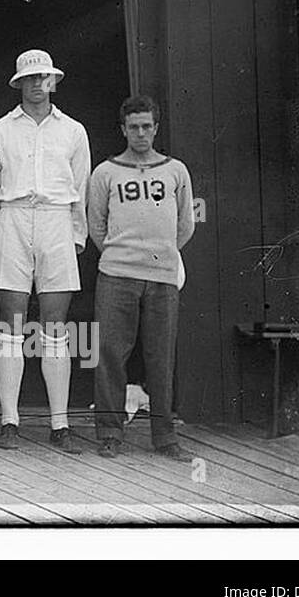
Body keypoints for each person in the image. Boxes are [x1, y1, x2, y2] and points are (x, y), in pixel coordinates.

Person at [0, 49, 90, 453]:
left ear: (53, 81)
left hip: (56, 220)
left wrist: (76, 236)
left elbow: (80, 186)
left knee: (55, 325)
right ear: (19, 84)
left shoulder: (73, 131)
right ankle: (9, 421)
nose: (36, 84)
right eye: (29, 78)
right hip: (13, 217)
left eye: (43, 77)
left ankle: (59, 425)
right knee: (10, 322)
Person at [88, 95, 195, 460]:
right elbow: (96, 225)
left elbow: (185, 225)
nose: (140, 133)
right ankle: (109, 432)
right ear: (123, 129)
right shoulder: (105, 172)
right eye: (133, 127)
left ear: (156, 128)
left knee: (161, 357)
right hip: (117, 274)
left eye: (146, 126)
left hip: (162, 275)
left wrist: (160, 254)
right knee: (109, 354)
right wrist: (122, 255)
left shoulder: (175, 170)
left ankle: (165, 438)